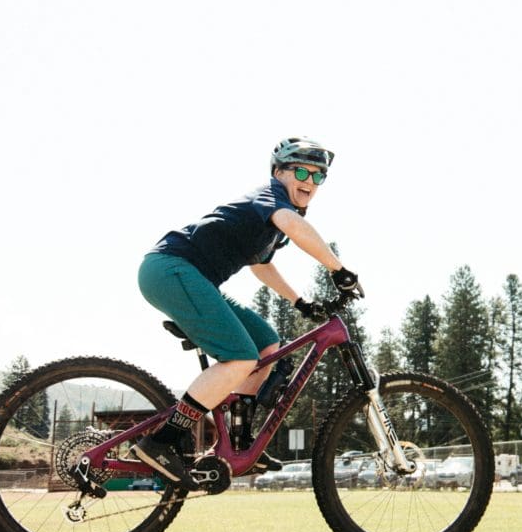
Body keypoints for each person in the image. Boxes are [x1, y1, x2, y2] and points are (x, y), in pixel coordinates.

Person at [132, 137, 361, 481]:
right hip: (169, 268)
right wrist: (338, 269)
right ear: (277, 172)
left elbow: (262, 266)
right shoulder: (270, 198)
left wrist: (300, 302)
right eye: (301, 171)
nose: (310, 182)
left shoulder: (273, 219)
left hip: (190, 276)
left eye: (319, 177)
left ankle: (239, 445)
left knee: (267, 345)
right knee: (240, 357)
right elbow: (293, 226)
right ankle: (162, 441)